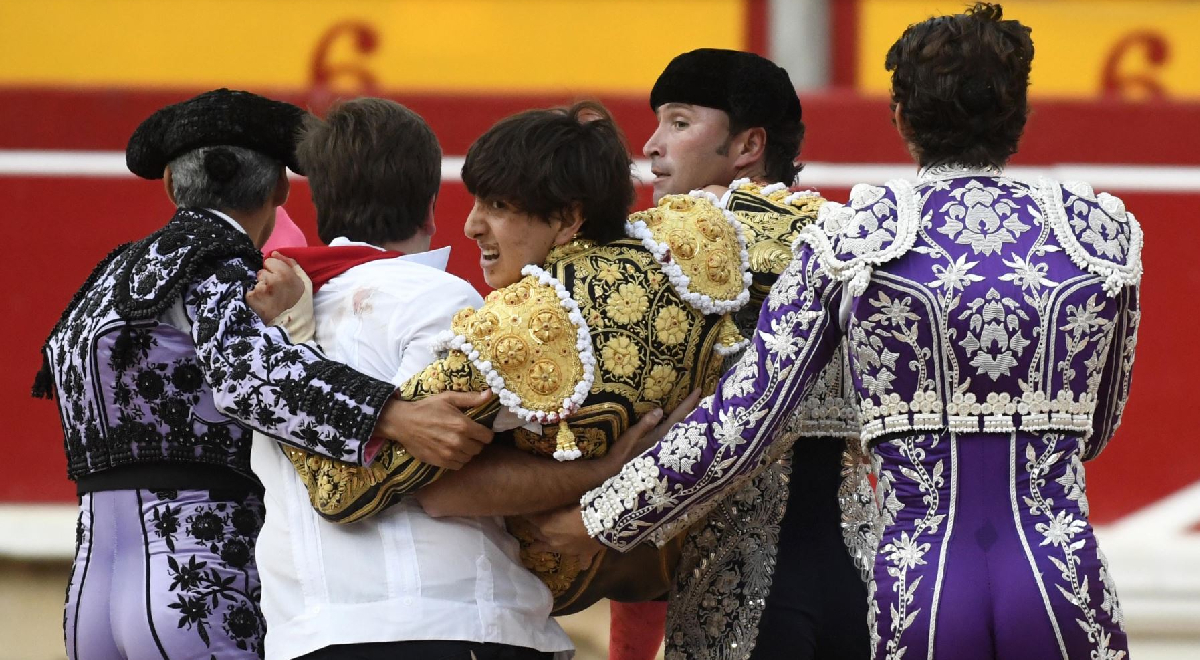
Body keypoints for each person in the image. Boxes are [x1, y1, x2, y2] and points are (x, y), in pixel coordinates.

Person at [543, 5, 1142, 659]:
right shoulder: (1099, 232)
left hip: (923, 579)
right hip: (1059, 572)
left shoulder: (857, 236)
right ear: (1019, 113)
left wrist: (602, 517)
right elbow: (1098, 429)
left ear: (900, 116)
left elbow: (743, 422)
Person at [33, 89, 492, 660]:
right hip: (195, 579)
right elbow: (247, 377)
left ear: (172, 183)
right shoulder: (221, 266)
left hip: (91, 587)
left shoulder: (106, 278)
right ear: (280, 188)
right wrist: (392, 414)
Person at [261, 101, 748, 619]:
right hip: (723, 568)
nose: (472, 226)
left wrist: (291, 338)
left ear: (568, 219)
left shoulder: (521, 327)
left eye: (496, 205)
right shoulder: (683, 238)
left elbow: (343, 489)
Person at [247, 97, 577, 660]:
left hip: (305, 634)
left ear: (320, 204)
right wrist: (606, 472)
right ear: (430, 208)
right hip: (449, 620)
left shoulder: (258, 328)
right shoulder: (441, 300)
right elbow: (443, 488)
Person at [631, 48, 874, 660]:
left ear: (748, 145)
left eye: (679, 122)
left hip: (738, 583)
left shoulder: (677, 238)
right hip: (866, 573)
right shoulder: (850, 235)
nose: (652, 145)